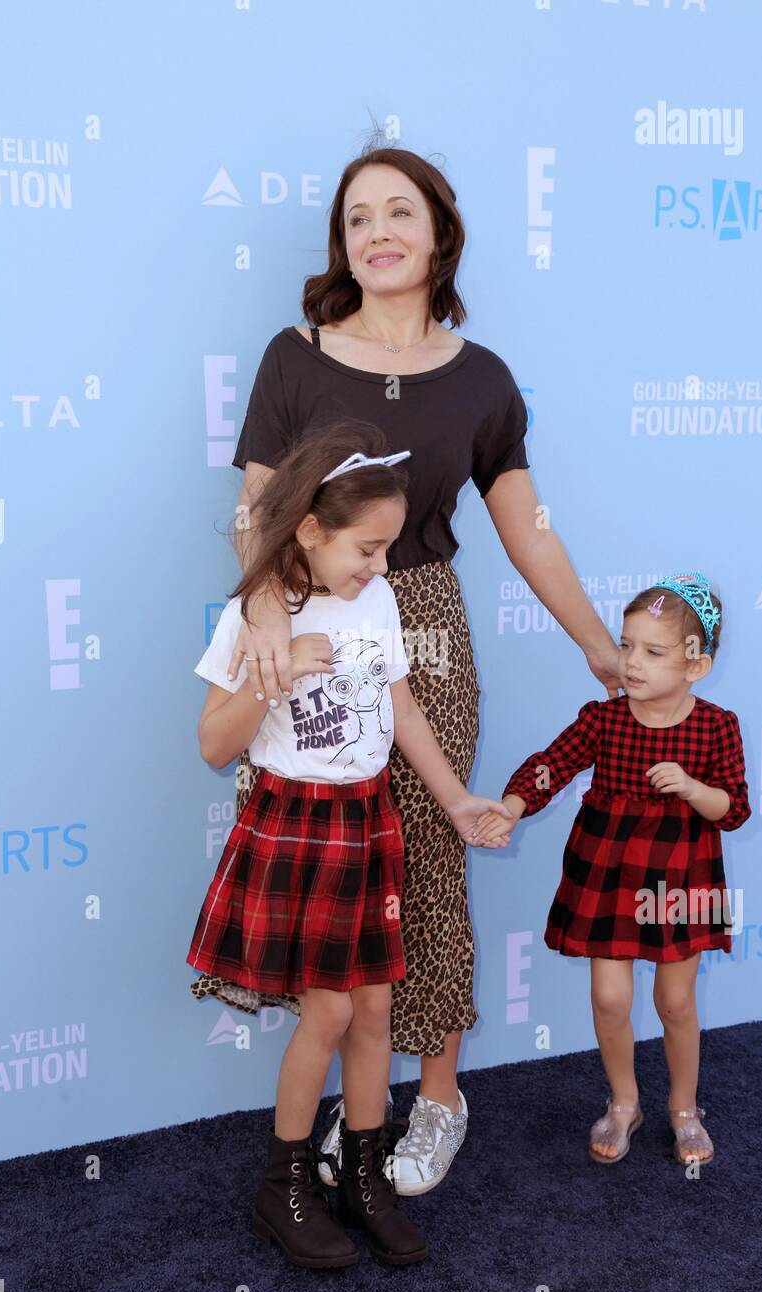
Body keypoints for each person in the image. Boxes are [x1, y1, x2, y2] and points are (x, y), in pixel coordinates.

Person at [207, 142, 622, 1197]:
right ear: (341, 243)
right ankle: (336, 1129)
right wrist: (262, 616)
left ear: (439, 234)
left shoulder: (481, 379)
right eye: (357, 219)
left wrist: (593, 642)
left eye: (399, 213)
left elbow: (527, 531)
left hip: (420, 620)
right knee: (314, 855)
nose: (377, 233)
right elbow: (256, 511)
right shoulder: (293, 355)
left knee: (428, 856)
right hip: (292, 612)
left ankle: (436, 1096)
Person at [187, 420, 512, 1269]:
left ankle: (363, 1176)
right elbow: (215, 744)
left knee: (373, 1009)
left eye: (388, 549)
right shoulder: (256, 614)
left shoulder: (377, 598)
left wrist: (456, 801)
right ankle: (284, 1185)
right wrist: (280, 666)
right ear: (308, 530)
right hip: (295, 822)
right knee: (328, 1011)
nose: (378, 565)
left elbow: (401, 709)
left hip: (370, 818)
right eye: (366, 548)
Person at [474, 573, 751, 1167]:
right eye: (627, 645)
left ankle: (684, 1107)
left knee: (676, 1003)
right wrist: (515, 806)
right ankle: (624, 1100)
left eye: (652, 652)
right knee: (607, 996)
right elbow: (552, 763)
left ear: (695, 666)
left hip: (684, 874)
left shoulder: (717, 726)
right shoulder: (604, 719)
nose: (632, 662)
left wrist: (693, 787)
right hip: (608, 870)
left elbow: (734, 808)